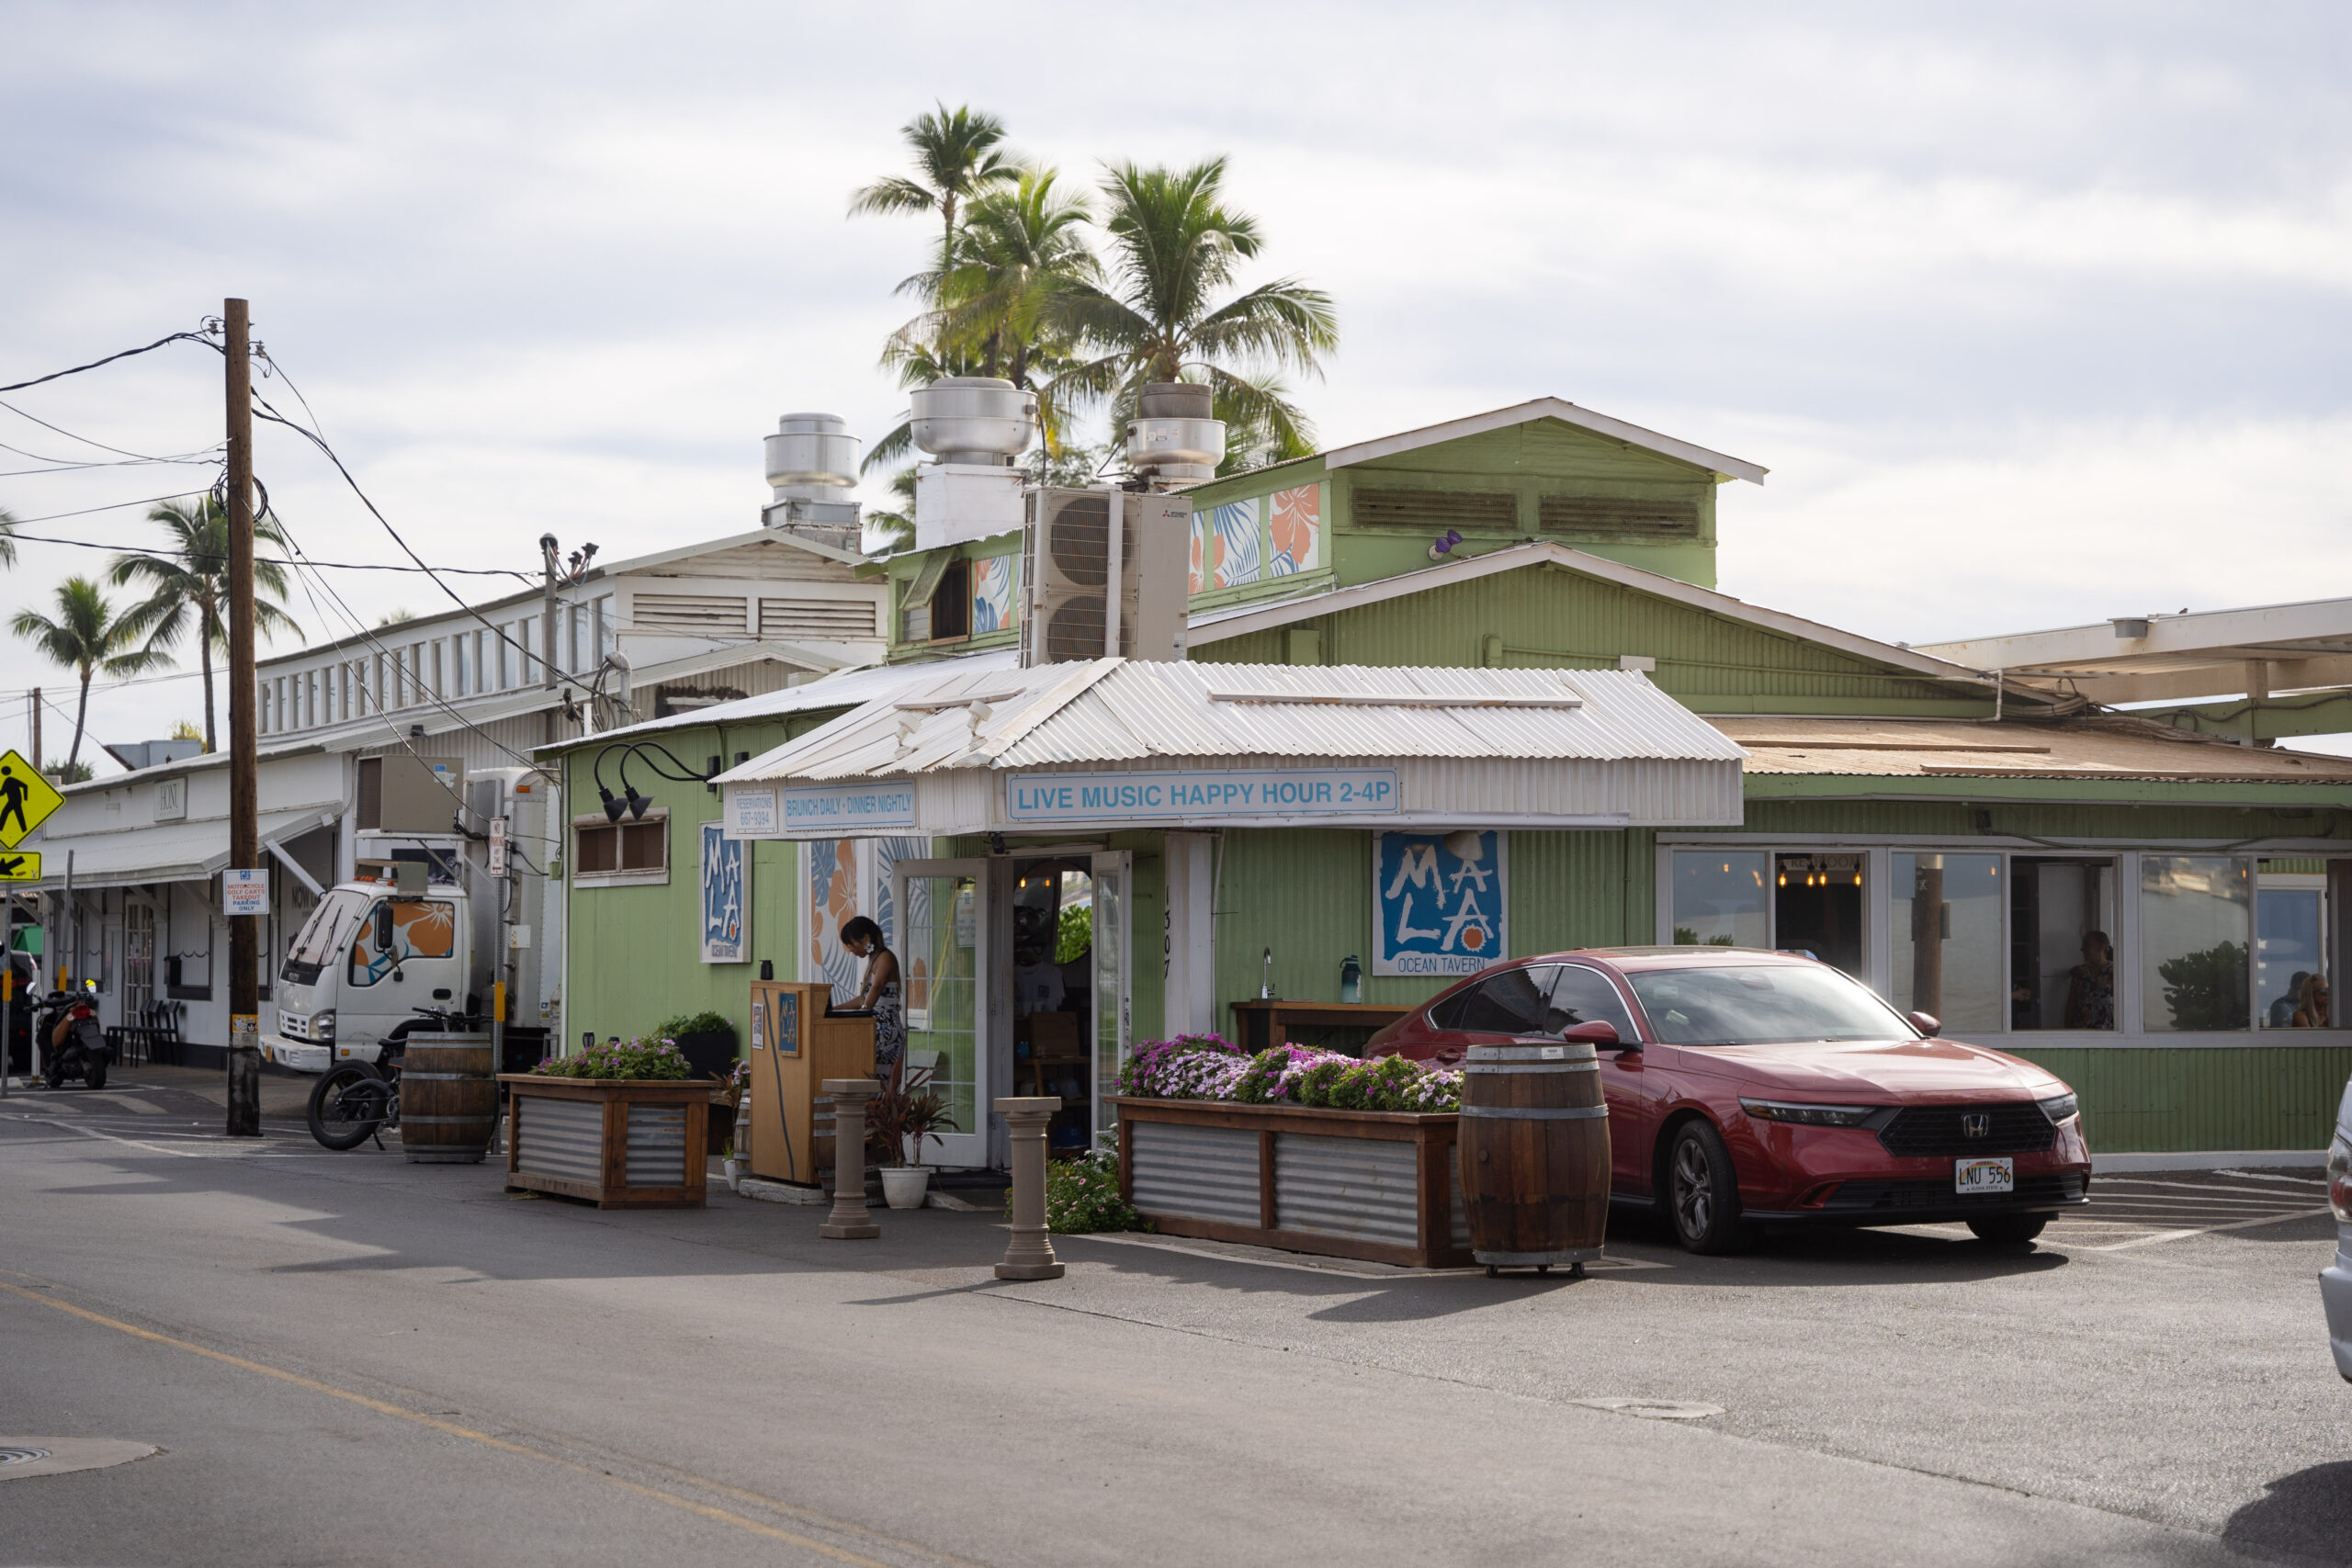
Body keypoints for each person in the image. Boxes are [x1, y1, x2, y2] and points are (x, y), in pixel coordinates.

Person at [839, 916, 903, 1089]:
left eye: (851, 943)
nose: (850, 949)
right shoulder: (873, 960)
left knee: (883, 1089)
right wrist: (835, 1009)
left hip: (886, 1033)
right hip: (874, 1031)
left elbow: (877, 987)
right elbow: (864, 997)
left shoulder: (885, 957)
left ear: (866, 938)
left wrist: (864, 1012)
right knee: (872, 1087)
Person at [2064, 931, 2116, 1030]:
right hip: (2082, 1034)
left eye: (2087, 945)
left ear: (2101, 947)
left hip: (2109, 1035)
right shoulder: (2079, 973)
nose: (2082, 949)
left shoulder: (2117, 972)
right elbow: (2070, 1005)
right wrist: (2067, 1033)